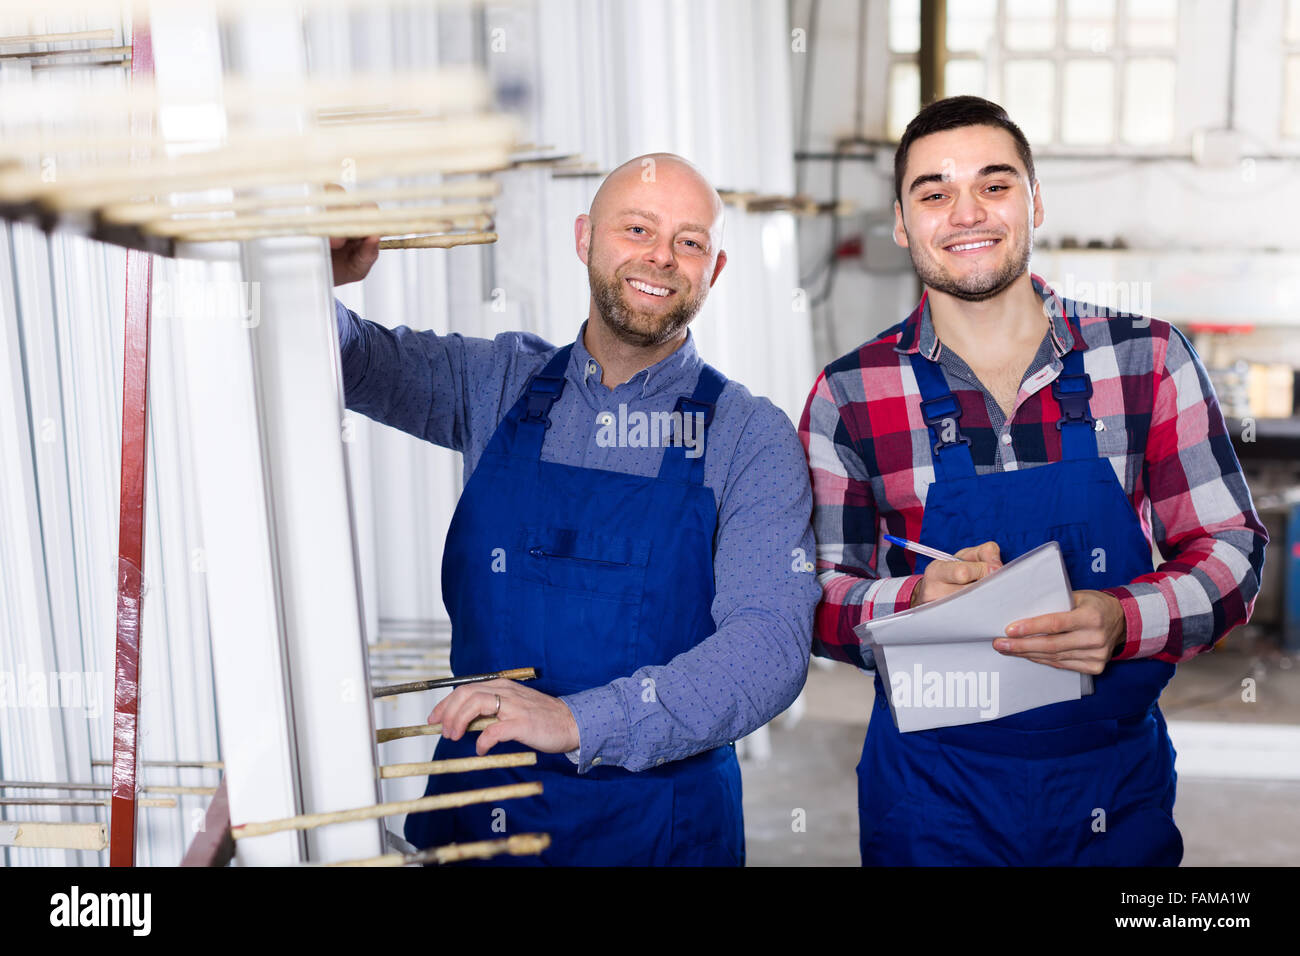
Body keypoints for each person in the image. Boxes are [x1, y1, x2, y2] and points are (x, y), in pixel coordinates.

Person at [799, 96, 1268, 866]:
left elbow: (1233, 553)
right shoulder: (850, 393)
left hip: (1112, 792)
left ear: (1035, 199)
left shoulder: (1148, 358)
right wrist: (915, 600)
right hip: (932, 798)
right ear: (900, 221)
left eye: (994, 184)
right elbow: (813, 595)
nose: (966, 213)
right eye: (934, 192)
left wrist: (1125, 618)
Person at [331, 152, 820, 865]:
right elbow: (343, 359)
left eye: (690, 241)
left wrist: (579, 720)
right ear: (584, 237)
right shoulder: (495, 384)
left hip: (660, 827)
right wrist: (314, 275)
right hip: (480, 809)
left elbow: (770, 649)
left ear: (712, 272)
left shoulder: (748, 436)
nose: (661, 256)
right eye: (637, 229)